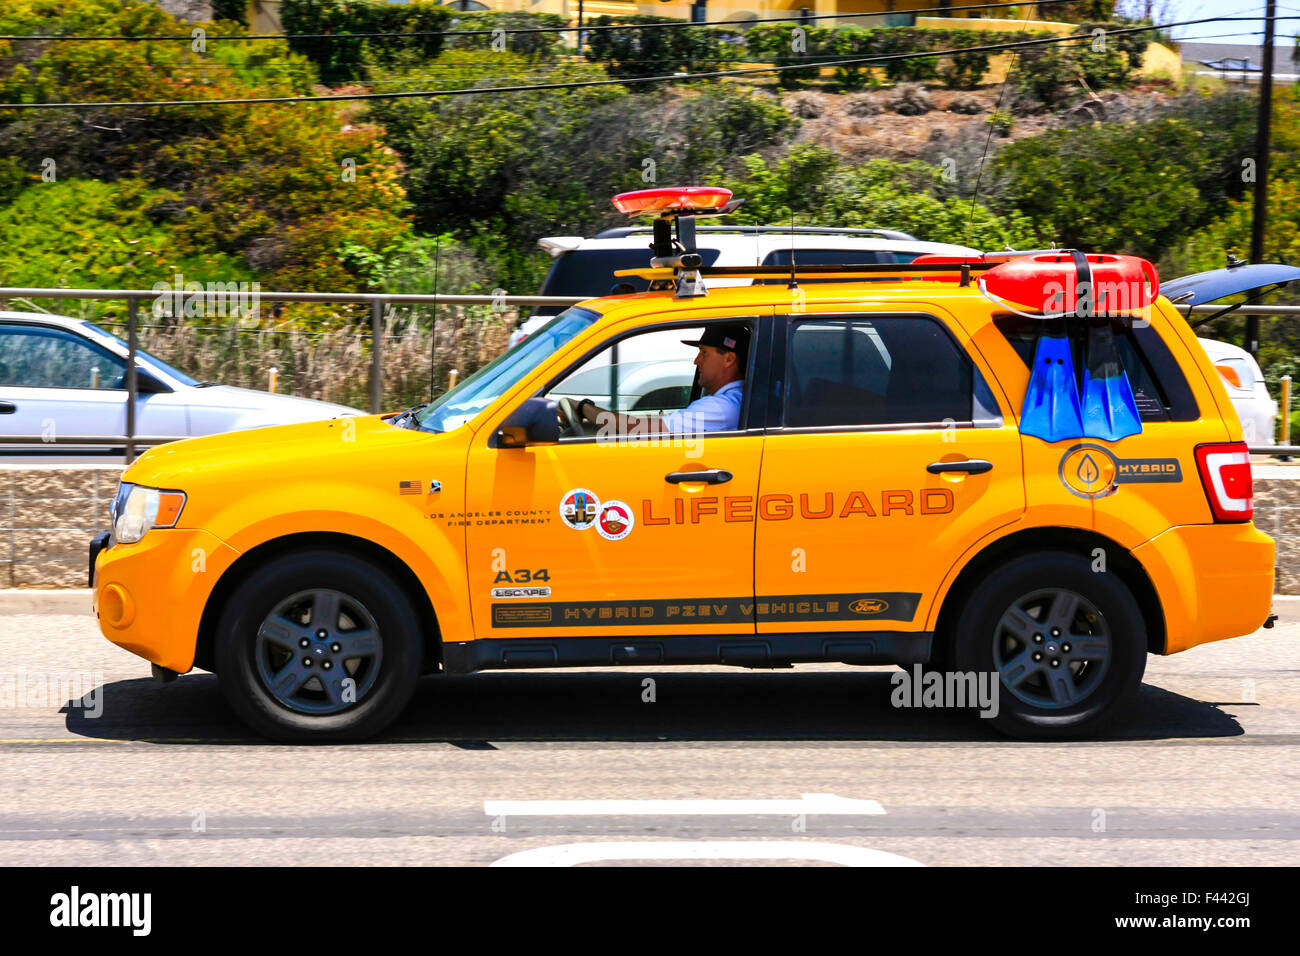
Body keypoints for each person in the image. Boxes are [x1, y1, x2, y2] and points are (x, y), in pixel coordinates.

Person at [571, 324, 749, 435]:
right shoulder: (736, 400)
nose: (697, 361)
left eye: (704, 353)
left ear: (729, 359)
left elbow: (637, 429)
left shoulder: (722, 408)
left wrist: (582, 407)